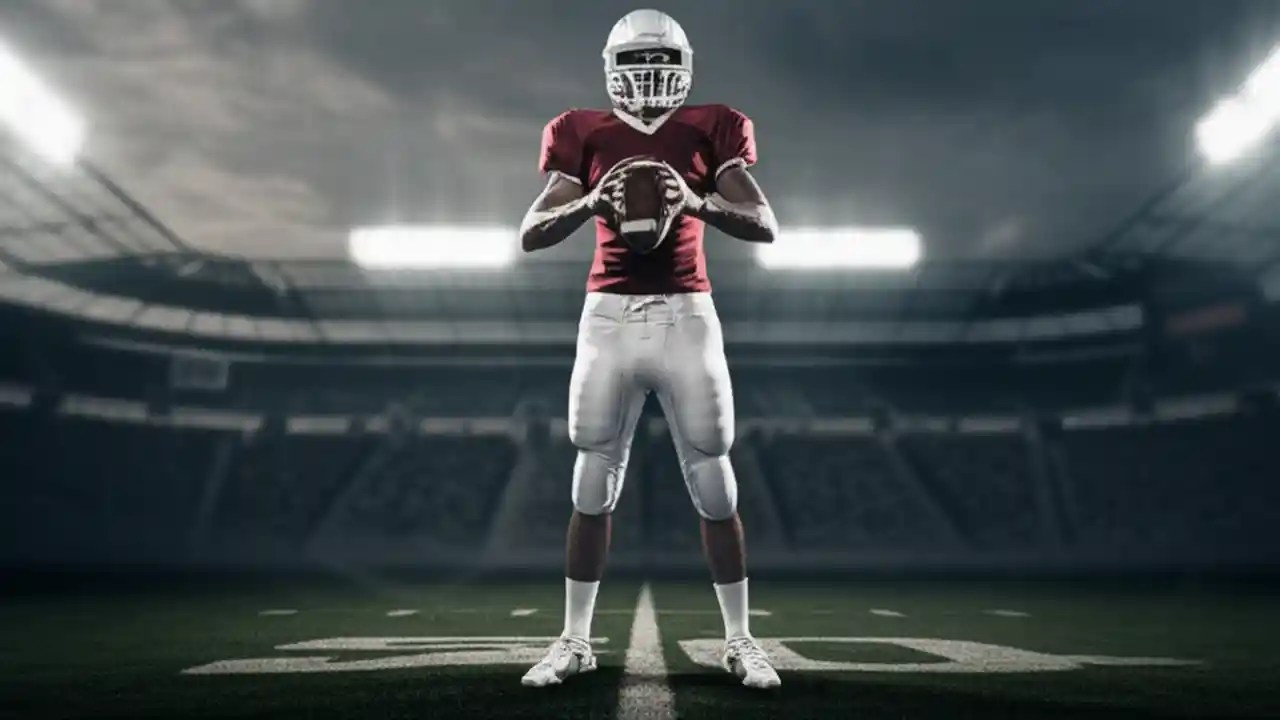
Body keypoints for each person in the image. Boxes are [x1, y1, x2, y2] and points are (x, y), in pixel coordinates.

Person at [518, 8, 781, 690]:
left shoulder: (711, 125)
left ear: (685, 68)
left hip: (687, 313)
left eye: (660, 64)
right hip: (607, 314)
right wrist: (590, 203)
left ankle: (741, 640)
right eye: (635, 65)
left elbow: (762, 224)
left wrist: (694, 203)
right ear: (611, 70)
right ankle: (574, 640)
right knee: (591, 474)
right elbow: (532, 231)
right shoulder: (580, 131)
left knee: (715, 478)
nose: (648, 78)